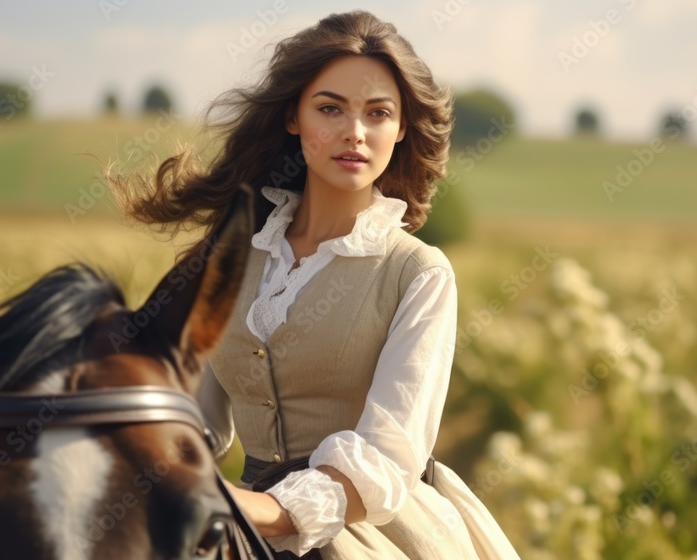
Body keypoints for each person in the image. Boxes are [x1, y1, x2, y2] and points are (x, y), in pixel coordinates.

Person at [111, 10, 519, 559]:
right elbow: (189, 421)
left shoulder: (418, 272)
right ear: (293, 118)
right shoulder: (229, 259)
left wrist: (261, 509)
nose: (355, 132)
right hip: (236, 520)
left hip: (378, 531)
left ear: (400, 130)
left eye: (378, 113)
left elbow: (387, 452)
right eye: (331, 108)